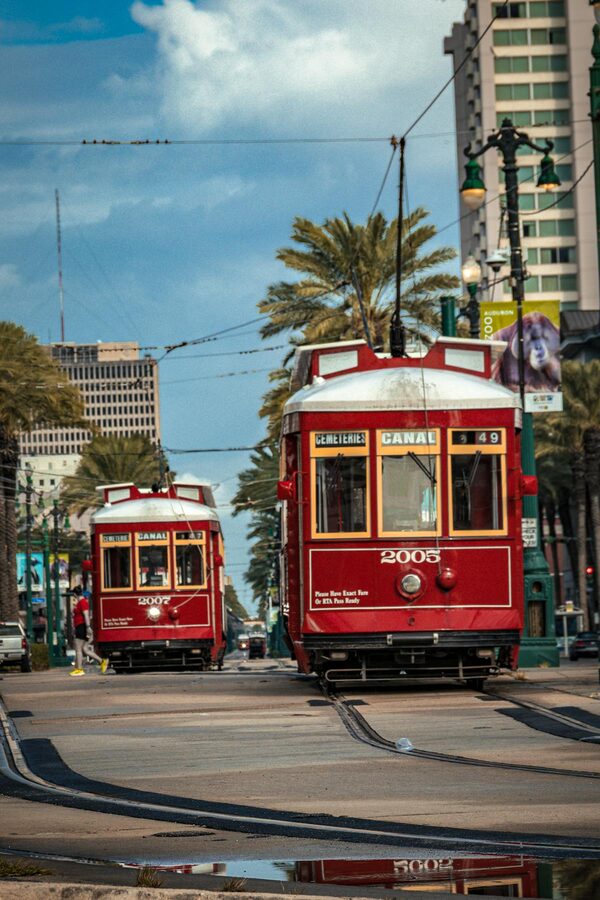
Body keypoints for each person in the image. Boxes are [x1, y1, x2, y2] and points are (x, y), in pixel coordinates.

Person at [70, 588, 108, 676]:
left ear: (75, 594)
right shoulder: (81, 602)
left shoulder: (82, 602)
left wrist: (87, 627)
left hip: (81, 627)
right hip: (82, 627)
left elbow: (86, 615)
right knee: (85, 649)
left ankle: (79, 669)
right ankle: (102, 661)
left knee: (78, 649)